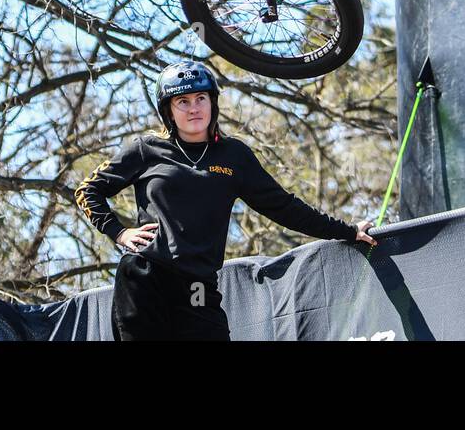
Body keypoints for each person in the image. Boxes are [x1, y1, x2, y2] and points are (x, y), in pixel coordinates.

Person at [74, 60, 376, 340]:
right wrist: (119, 232)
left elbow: (284, 207)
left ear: (212, 103)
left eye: (200, 99)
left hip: (197, 286)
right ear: (168, 110)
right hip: (146, 277)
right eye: (183, 101)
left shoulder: (234, 156)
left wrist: (347, 231)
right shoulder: (145, 149)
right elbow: (88, 190)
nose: (194, 108)